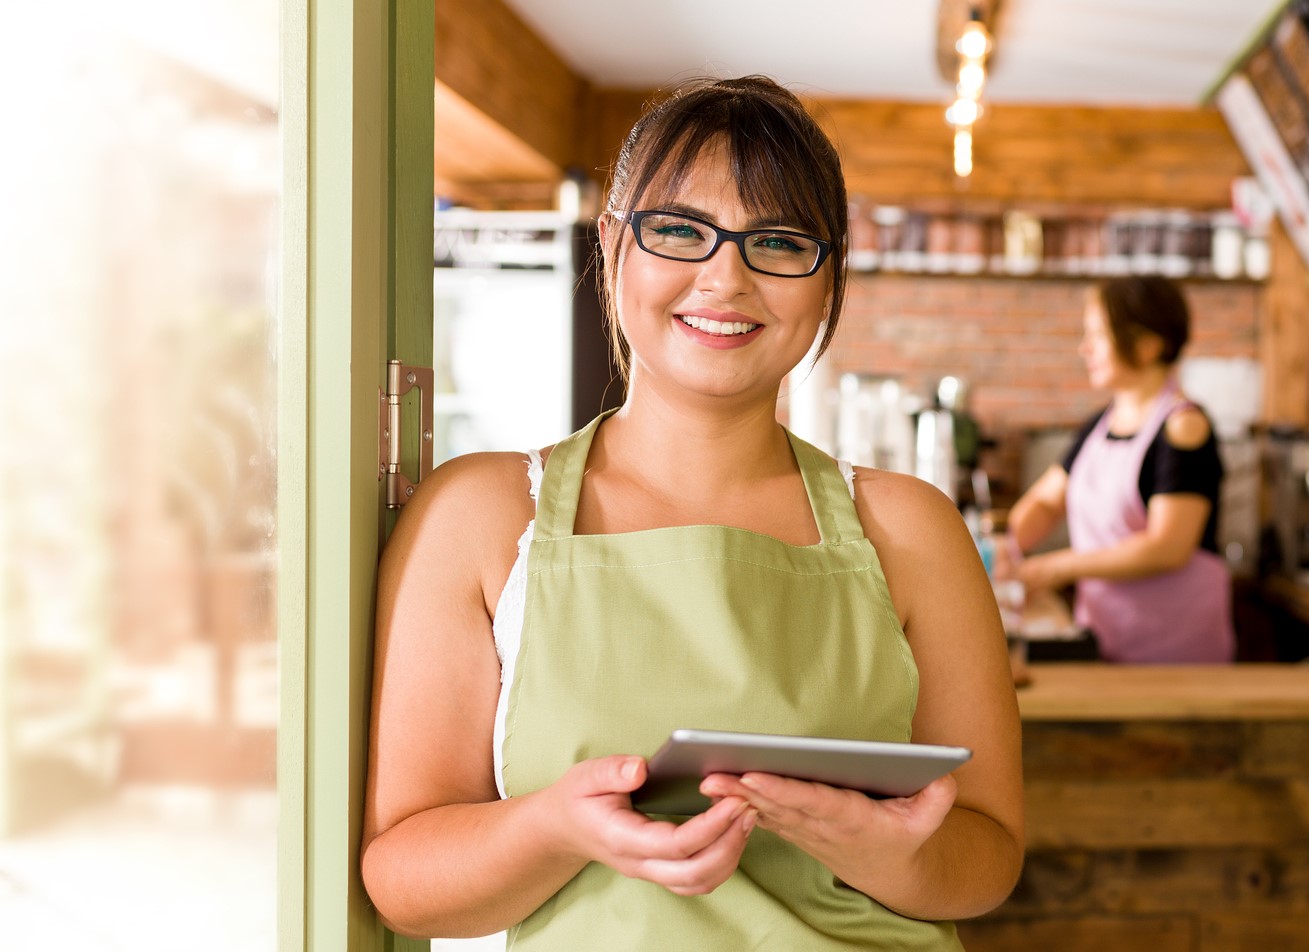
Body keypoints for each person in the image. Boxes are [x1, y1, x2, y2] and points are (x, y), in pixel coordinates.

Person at [360, 77, 1024, 947]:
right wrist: (557, 827)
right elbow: (404, 882)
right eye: (678, 230)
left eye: (779, 242)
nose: (726, 278)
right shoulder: (477, 517)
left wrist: (887, 856)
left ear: (828, 280)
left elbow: (989, 859)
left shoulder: (912, 528)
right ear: (612, 245)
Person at [1003, 276, 1235, 664]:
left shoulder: (1185, 428)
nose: (1084, 348)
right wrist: (1009, 547)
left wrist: (1055, 568)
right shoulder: (1099, 426)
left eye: (1098, 335)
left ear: (1147, 346)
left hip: (1176, 656)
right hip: (1104, 638)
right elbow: (1045, 501)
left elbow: (1168, 547)